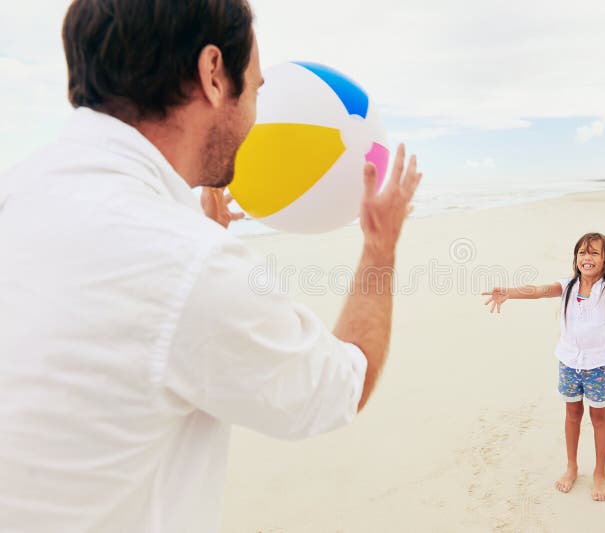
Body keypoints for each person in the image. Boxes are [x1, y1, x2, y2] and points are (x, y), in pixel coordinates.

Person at [0, 0, 421, 531]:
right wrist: (380, 247)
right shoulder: (188, 262)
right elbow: (342, 386)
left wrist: (195, 234)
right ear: (214, 74)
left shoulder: (18, 191)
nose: (255, 117)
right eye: (258, 90)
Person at [482, 232, 605, 501]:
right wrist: (509, 293)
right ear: (576, 258)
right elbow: (539, 291)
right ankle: (572, 467)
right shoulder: (568, 285)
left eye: (594, 253)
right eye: (582, 252)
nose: (587, 257)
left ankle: (600, 472)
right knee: (572, 414)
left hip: (597, 367)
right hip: (568, 363)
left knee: (599, 418)